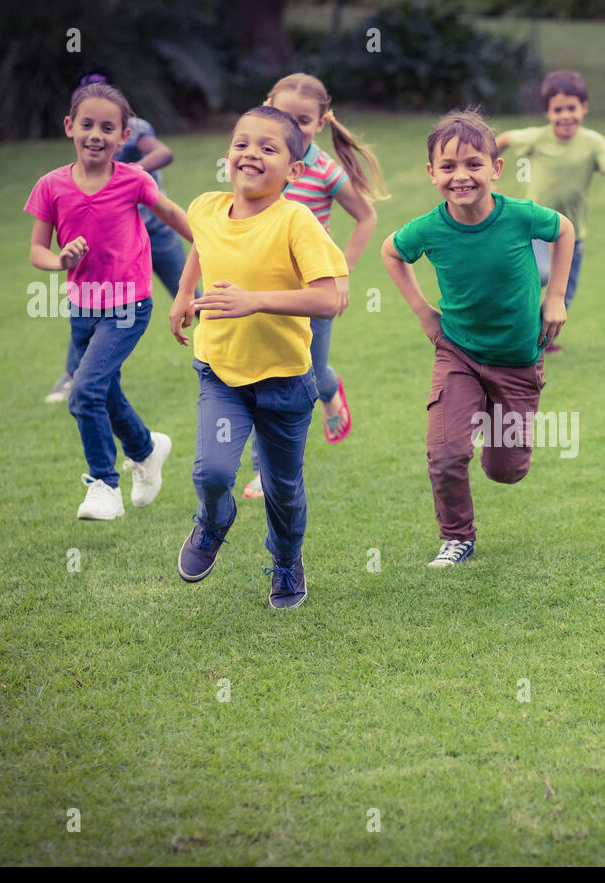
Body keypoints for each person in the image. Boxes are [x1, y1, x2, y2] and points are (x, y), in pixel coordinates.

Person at [169, 106, 348, 608]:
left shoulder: (296, 221)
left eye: (268, 148)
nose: (250, 154)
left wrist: (254, 299)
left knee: (282, 488)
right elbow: (203, 246)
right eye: (241, 143)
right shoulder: (205, 206)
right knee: (211, 474)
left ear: (294, 171)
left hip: (286, 380)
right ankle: (213, 523)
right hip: (221, 372)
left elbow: (329, 299)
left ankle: (286, 561)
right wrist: (185, 293)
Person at [381, 109, 575, 568]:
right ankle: (456, 538)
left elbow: (564, 229)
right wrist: (425, 313)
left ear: (495, 168)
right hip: (459, 352)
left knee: (505, 471)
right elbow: (392, 251)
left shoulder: (519, 216)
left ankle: (491, 416)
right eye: (448, 167)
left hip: (517, 359)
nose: (461, 176)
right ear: (431, 174)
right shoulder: (429, 228)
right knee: (446, 453)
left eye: (473, 164)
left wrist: (556, 297)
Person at [25, 81, 190, 520]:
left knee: (85, 391)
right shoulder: (50, 186)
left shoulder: (132, 179)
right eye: (87, 124)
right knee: (107, 391)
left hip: (128, 307)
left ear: (123, 137)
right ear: (69, 127)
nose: (96, 134)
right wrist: (60, 260)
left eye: (107, 127)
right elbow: (37, 250)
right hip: (82, 309)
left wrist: (216, 243)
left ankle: (104, 484)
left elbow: (172, 214)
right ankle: (146, 448)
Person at [242, 73, 389, 498]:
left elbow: (367, 217)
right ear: (267, 104)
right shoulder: (254, 158)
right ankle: (263, 470)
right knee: (266, 376)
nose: (292, 126)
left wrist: (340, 272)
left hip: (311, 293)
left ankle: (330, 389)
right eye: (284, 114)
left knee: (310, 373)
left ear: (322, 122)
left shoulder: (324, 170)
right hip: (262, 292)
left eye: (303, 120)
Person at [45, 67, 192, 404]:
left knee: (187, 294)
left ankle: (224, 351)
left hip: (156, 231)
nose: (96, 130)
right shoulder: (86, 134)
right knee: (92, 305)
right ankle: (72, 375)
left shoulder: (134, 129)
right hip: (116, 241)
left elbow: (164, 153)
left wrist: (134, 173)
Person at [496, 70, 605, 354]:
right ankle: (515, 330)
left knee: (563, 295)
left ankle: (539, 341)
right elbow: (504, 138)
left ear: (584, 107)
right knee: (540, 274)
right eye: (558, 110)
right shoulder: (537, 138)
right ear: (547, 112)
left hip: (573, 234)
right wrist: (483, 165)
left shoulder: (594, 143)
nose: (565, 116)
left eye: (572, 108)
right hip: (536, 227)